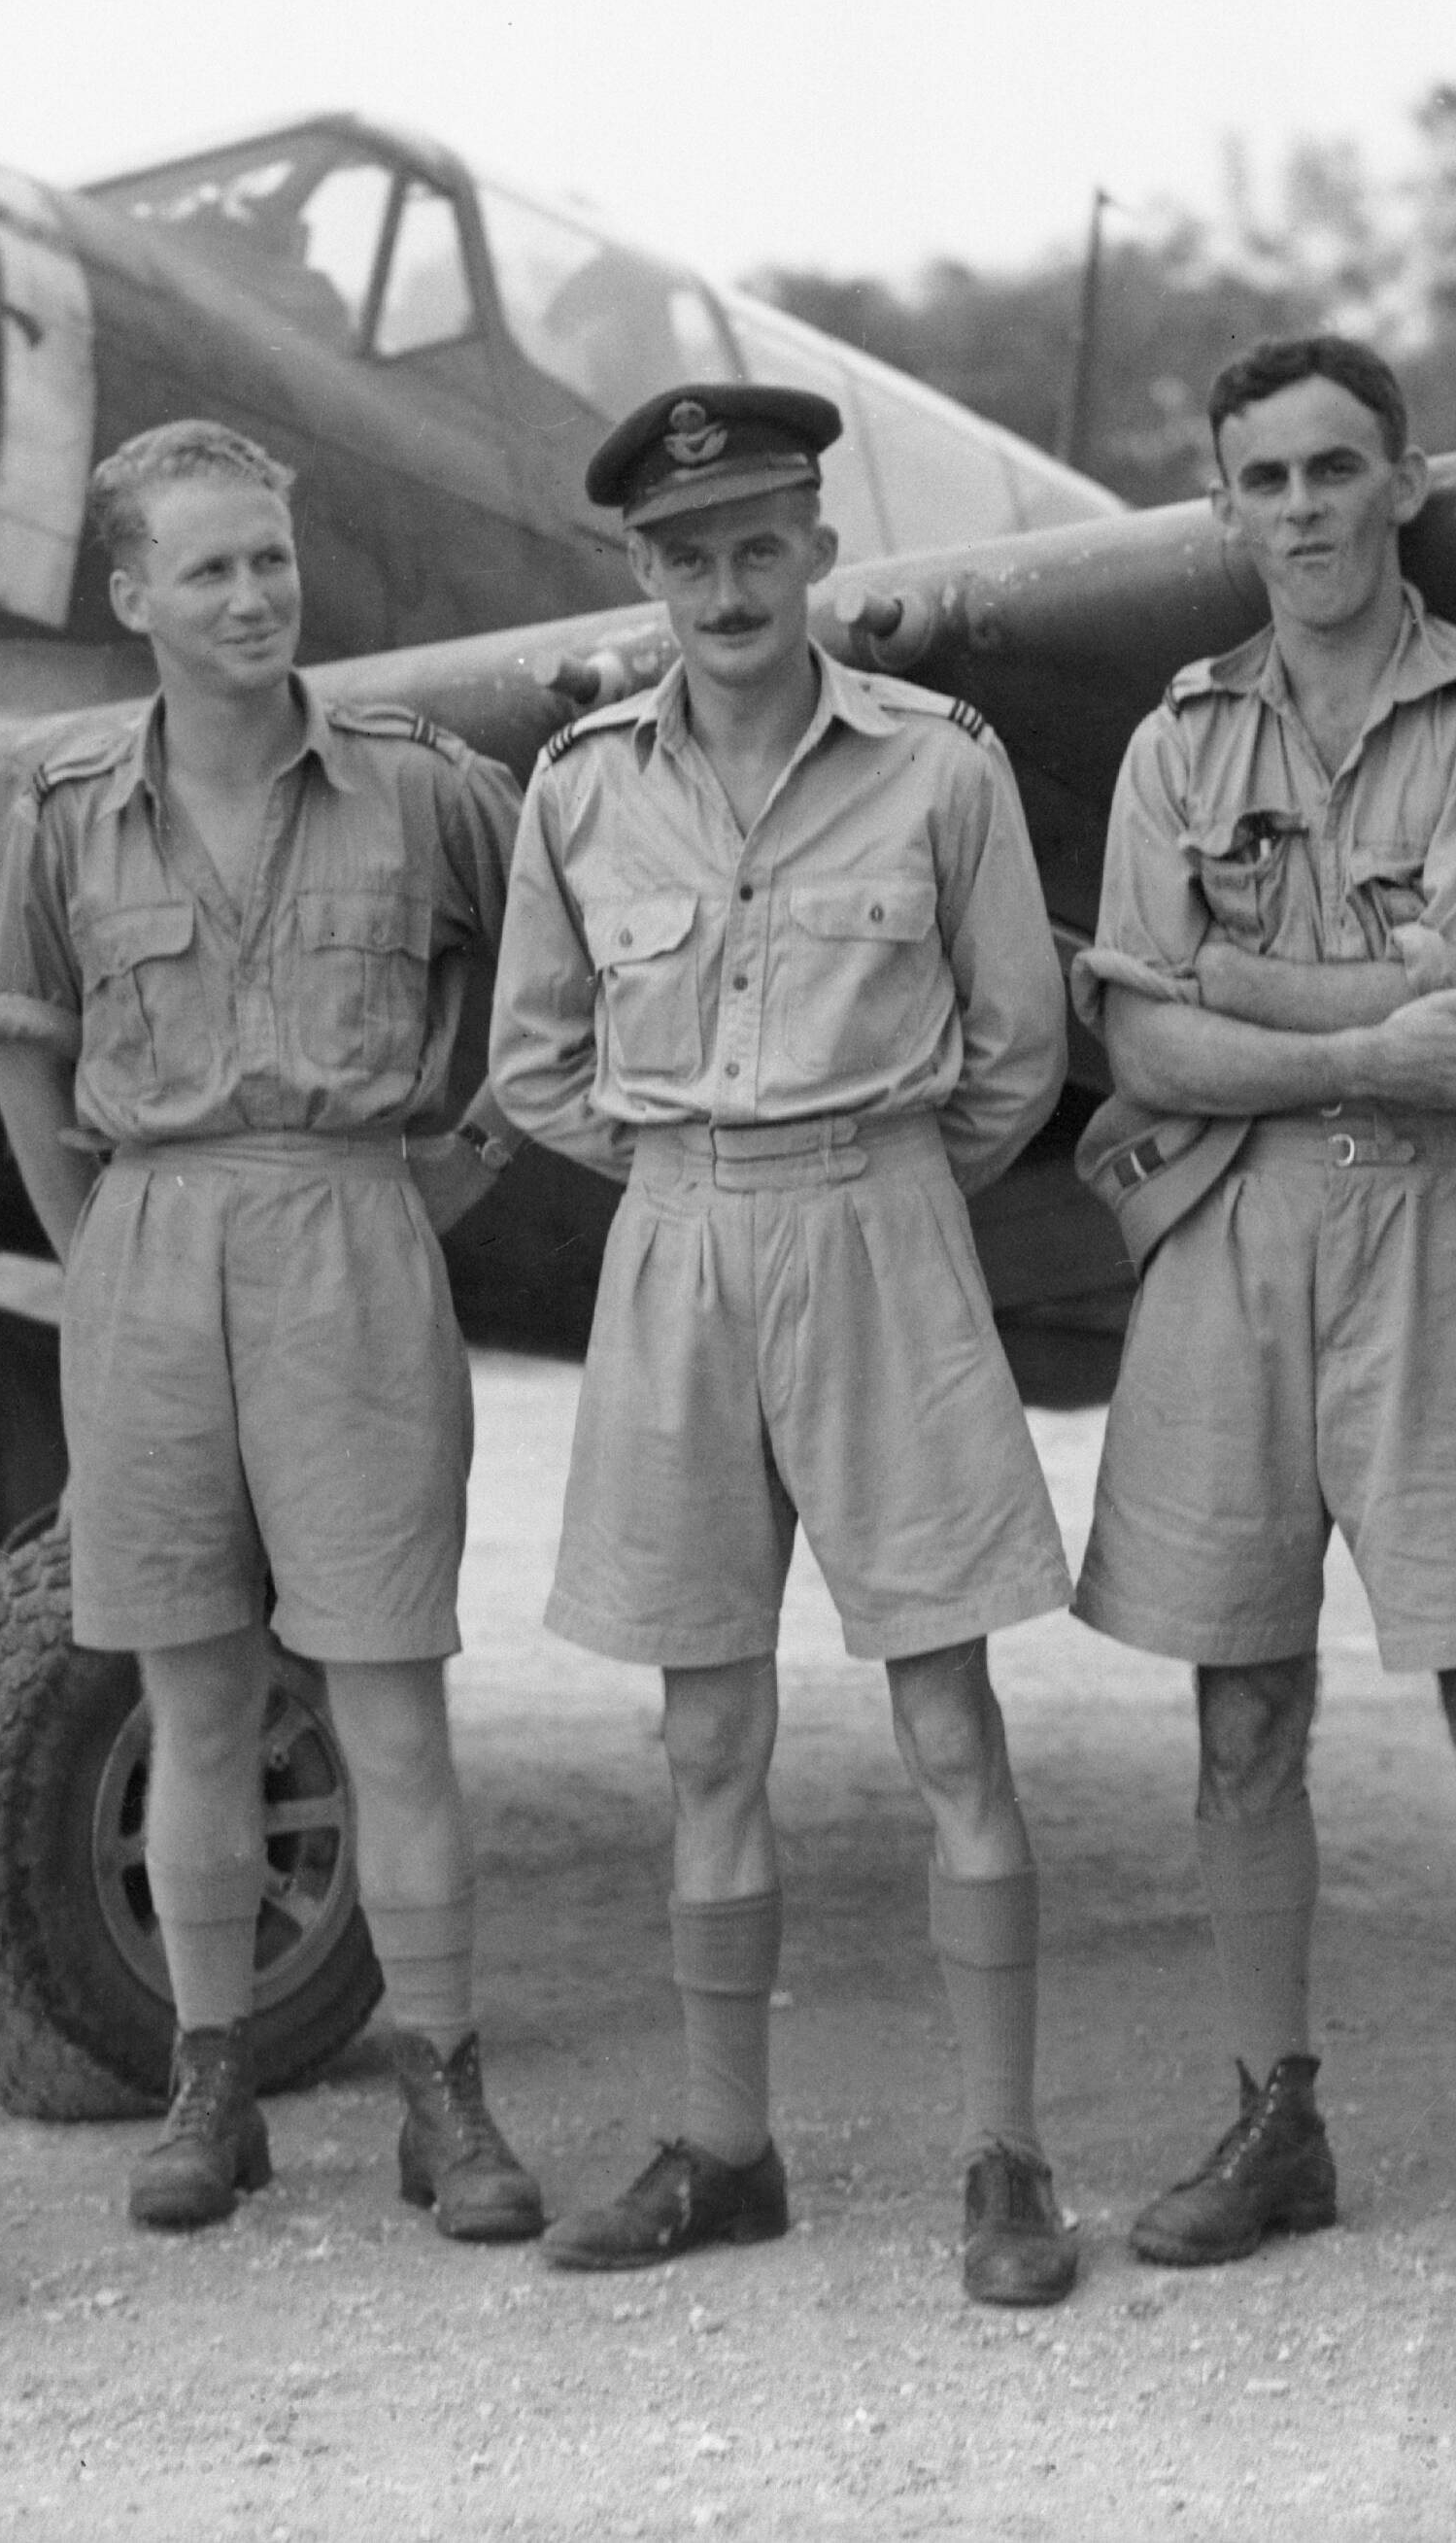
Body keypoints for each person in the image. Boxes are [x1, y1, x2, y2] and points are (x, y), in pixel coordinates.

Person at [491, 384, 1081, 2309]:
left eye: (760, 546)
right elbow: (533, 1061)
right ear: (643, 573)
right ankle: (725, 2147)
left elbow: (1019, 1046)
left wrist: (867, 1179)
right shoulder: (581, 786)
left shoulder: (937, 767)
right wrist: (695, 1175)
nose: (728, 588)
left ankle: (1005, 2156)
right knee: (705, 1734)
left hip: (879, 1228)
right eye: (687, 557)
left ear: (821, 550)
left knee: (945, 1714)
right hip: (678, 1239)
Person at [1067, 335, 1456, 2302]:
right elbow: (1136, 1040)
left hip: (1438, 1236)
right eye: (1265, 478)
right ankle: (1272, 2115)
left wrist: (1238, 985)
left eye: (1334, 468)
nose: (1302, 509)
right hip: (1226, 1238)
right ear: (1223, 506)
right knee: (1239, 1706)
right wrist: (1356, 1031)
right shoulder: (1176, 742)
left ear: (1403, 482)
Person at [0, 421, 542, 2243]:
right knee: (196, 1703)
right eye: (207, 569)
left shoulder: (423, 789)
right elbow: (29, 1047)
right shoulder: (64, 810)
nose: (250, 597)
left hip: (350, 1229)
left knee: (390, 1700)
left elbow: (562, 974)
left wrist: (455, 1164)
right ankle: (210, 2086)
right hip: (148, 1245)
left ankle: (443, 2088)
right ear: (132, 595)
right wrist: (94, 1254)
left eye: (270, 561)